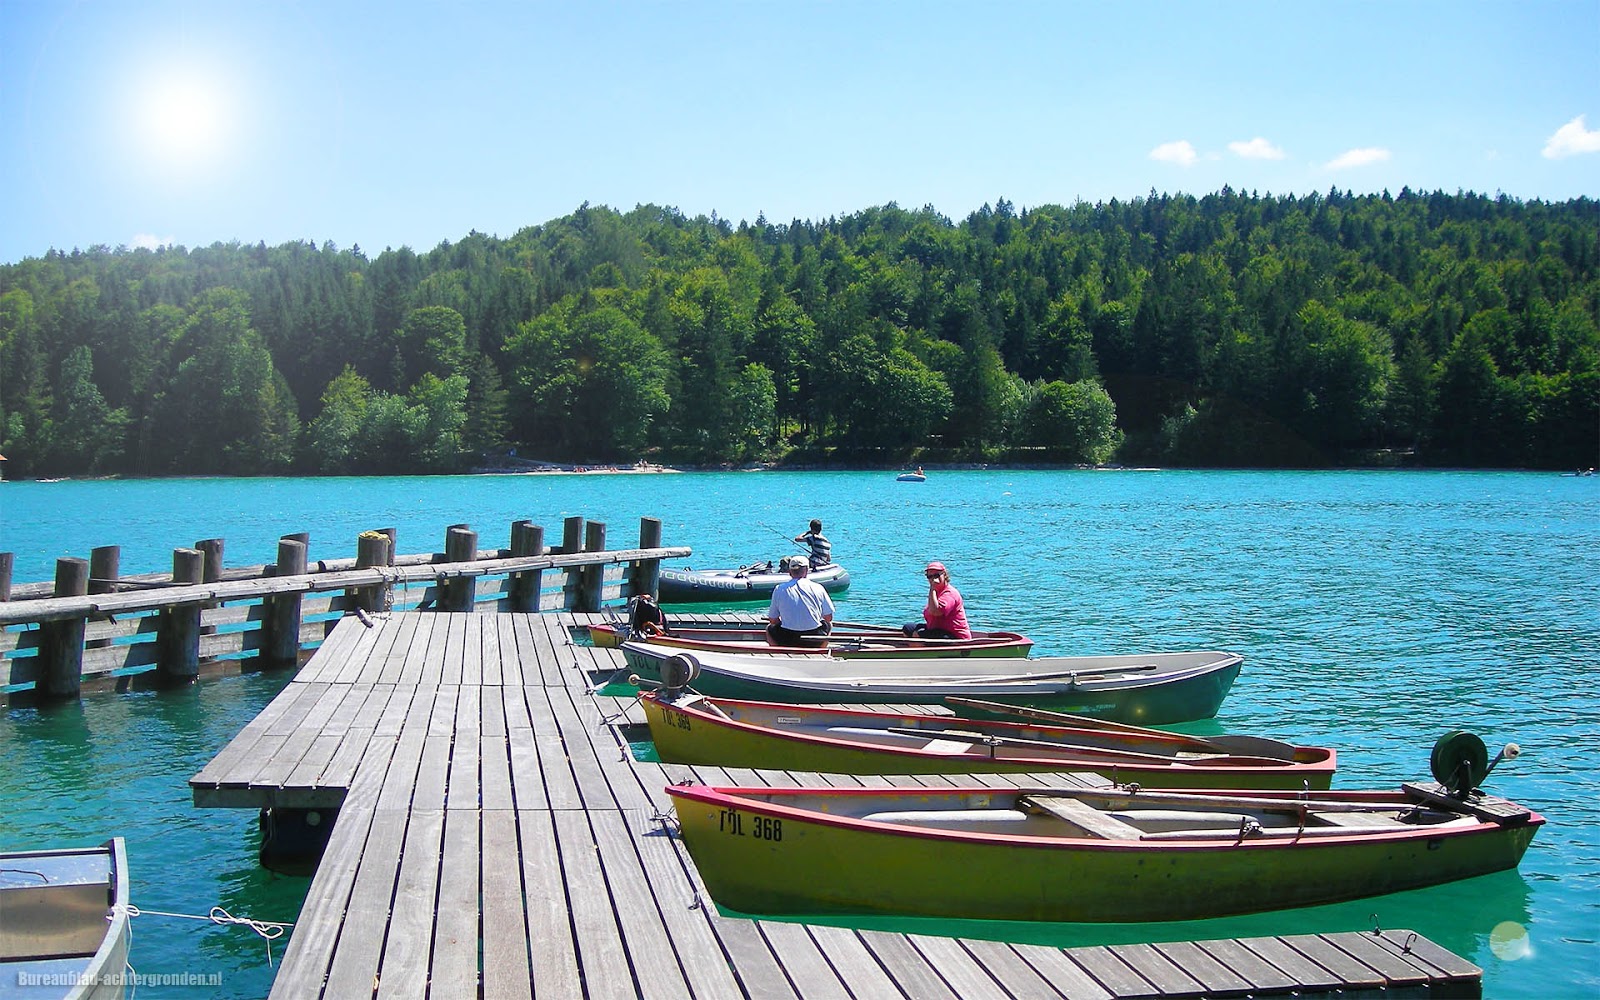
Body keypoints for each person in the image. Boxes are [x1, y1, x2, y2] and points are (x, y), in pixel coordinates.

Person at [766, 555, 835, 647]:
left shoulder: (779, 589)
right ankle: (820, 650)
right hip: (814, 639)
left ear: (790, 572)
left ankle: (779, 651)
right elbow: (828, 617)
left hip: (787, 638)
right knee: (829, 625)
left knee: (769, 628)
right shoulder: (818, 587)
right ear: (806, 570)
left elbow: (773, 620)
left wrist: (785, 622)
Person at [904, 561, 971, 640]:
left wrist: (932, 588)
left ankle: (919, 651)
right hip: (938, 630)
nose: (933, 579)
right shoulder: (936, 592)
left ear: (944, 575)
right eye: (930, 576)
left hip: (955, 636)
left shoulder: (950, 593)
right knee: (908, 628)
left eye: (936, 575)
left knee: (920, 633)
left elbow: (935, 612)